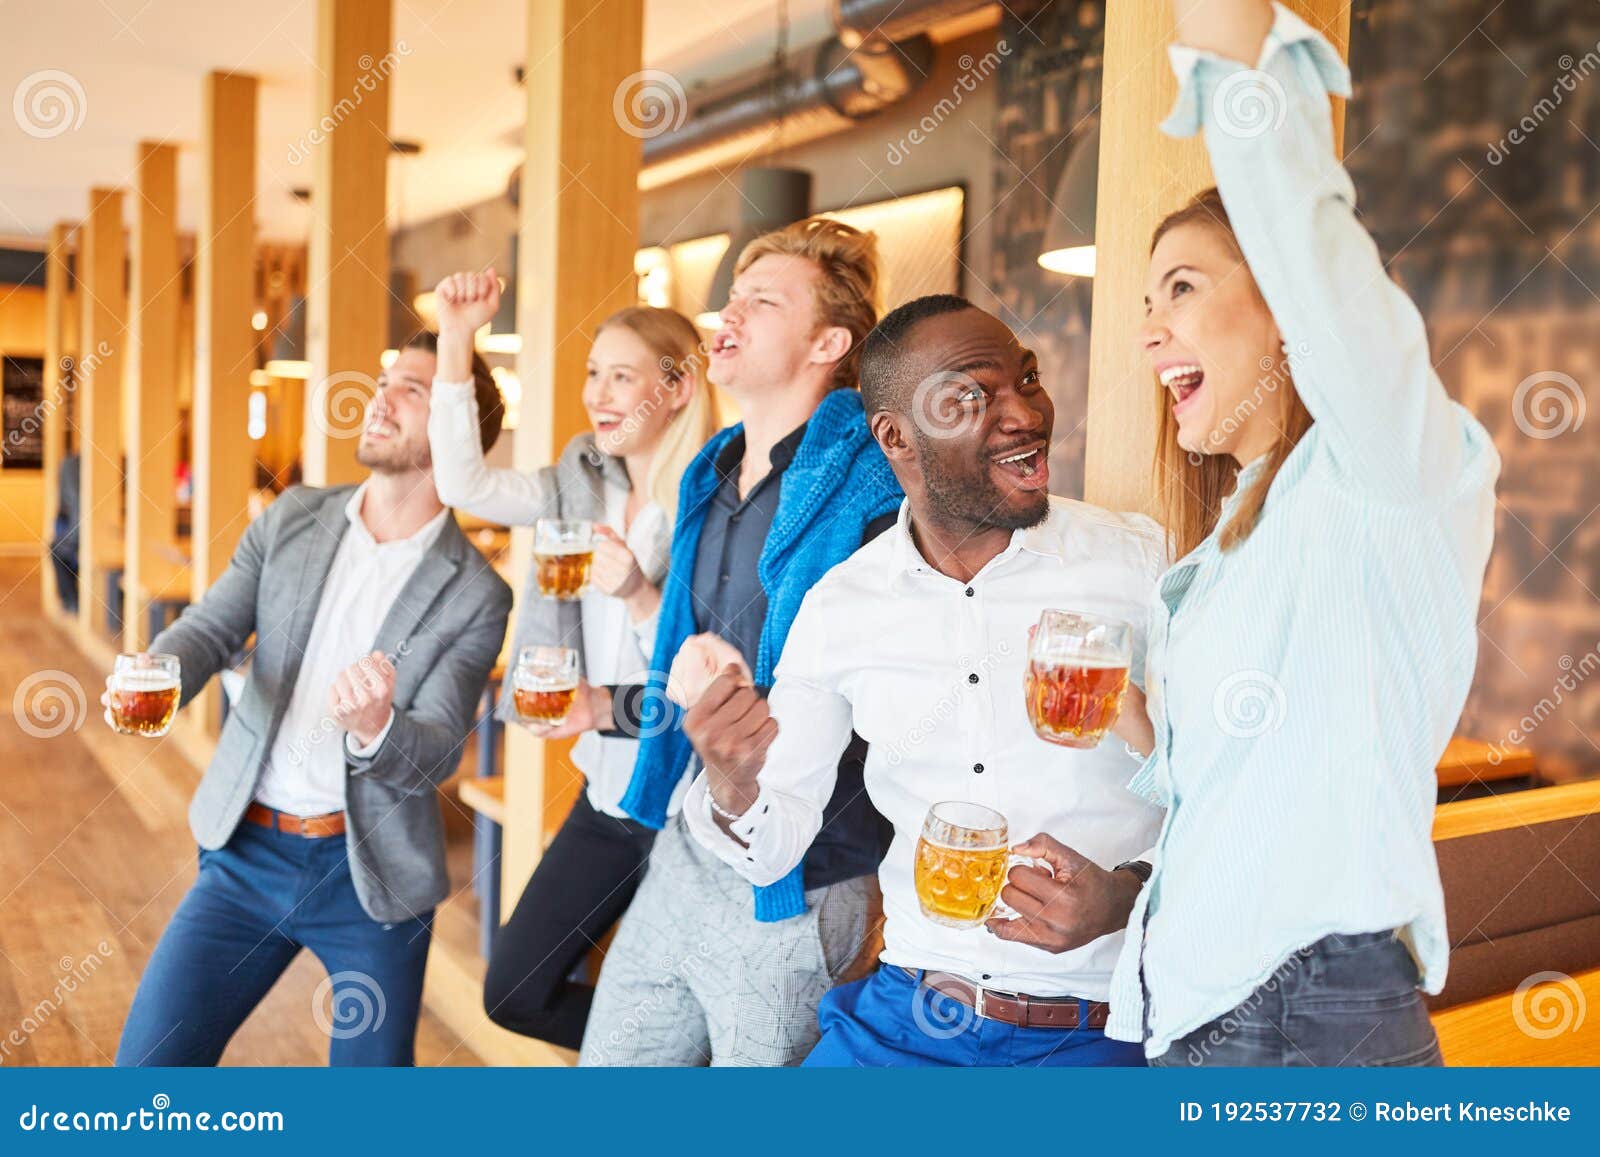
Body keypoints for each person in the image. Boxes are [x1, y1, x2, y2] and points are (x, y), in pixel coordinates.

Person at [1104, 0, 1500, 1067]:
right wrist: (1145, 729)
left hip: (1296, 1016)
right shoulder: (1238, 527)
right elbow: (1260, 776)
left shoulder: (1380, 466)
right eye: (1147, 298)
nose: (1148, 328)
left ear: (1285, 308)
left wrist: (1234, 60)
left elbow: (1311, 244)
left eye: (1180, 288)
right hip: (1203, 1013)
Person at [684, 295, 1165, 1066]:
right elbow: (773, 845)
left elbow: (1232, 796)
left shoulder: (1140, 563)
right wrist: (732, 783)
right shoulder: (841, 604)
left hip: (1097, 1029)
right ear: (894, 436)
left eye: (1028, 379)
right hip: (903, 1016)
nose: (1024, 413)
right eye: (971, 396)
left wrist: (1130, 893)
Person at [114, 336, 513, 1067]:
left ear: (457, 430)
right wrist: (158, 673)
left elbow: (436, 749)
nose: (379, 397)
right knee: (149, 1070)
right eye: (384, 378)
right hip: (243, 854)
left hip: (371, 879)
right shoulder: (293, 516)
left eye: (413, 390)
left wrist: (376, 727)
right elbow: (210, 626)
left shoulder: (478, 592)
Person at [578, 218, 902, 1066]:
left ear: (828, 341)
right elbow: (675, 652)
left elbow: (894, 683)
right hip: (686, 842)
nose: (730, 313)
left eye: (761, 301)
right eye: (732, 297)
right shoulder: (709, 471)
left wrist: (755, 694)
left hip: (801, 873)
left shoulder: (874, 487)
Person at [425, 270, 719, 1049]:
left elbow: (717, 681)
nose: (599, 393)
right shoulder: (578, 482)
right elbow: (464, 481)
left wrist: (634, 594)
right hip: (609, 796)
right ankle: (690, 1062)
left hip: (690, 811)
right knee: (515, 990)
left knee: (699, 991)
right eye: (595, 373)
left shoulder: (715, 504)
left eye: (622, 375)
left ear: (680, 386)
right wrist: (458, 335)